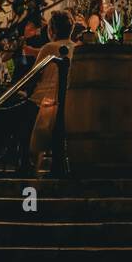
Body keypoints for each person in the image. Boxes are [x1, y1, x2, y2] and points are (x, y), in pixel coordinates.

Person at [26, 11, 76, 174]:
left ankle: (26, 163)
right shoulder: (76, 49)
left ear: (52, 29)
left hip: (42, 101)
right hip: (69, 102)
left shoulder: (48, 48)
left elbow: (33, 77)